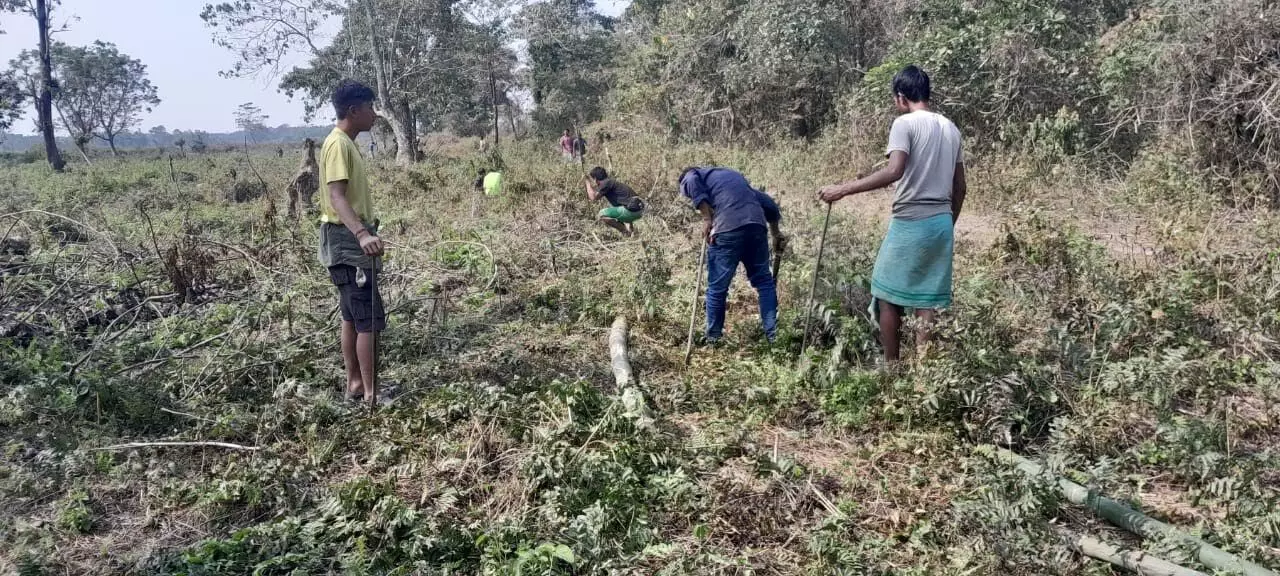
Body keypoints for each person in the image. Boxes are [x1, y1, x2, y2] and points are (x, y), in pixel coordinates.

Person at [818, 65, 966, 366]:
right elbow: (960, 188)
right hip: (940, 222)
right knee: (927, 300)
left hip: (910, 220)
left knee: (885, 291)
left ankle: (892, 366)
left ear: (901, 97)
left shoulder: (905, 124)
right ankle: (926, 375)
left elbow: (894, 170)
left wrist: (842, 189)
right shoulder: (951, 129)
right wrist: (947, 225)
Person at [318, 79, 386, 406]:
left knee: (351, 316)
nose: (374, 114)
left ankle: (357, 385)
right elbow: (336, 197)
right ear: (353, 110)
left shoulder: (345, 143)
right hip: (347, 242)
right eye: (370, 108)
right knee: (368, 319)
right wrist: (362, 234)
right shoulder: (339, 145)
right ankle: (371, 396)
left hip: (344, 240)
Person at [679, 166, 787, 344]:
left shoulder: (693, 176)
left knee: (717, 288)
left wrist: (707, 218)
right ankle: (774, 337)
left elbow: (690, 180)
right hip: (756, 227)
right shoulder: (731, 179)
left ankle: (713, 340)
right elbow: (769, 204)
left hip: (727, 228)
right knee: (764, 283)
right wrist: (776, 234)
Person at [584, 166, 643, 236]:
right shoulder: (611, 182)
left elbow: (593, 198)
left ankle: (626, 232)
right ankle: (631, 233)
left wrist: (587, 182)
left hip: (632, 210)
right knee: (618, 210)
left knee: (602, 214)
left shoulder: (606, 183)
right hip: (640, 210)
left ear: (595, 179)